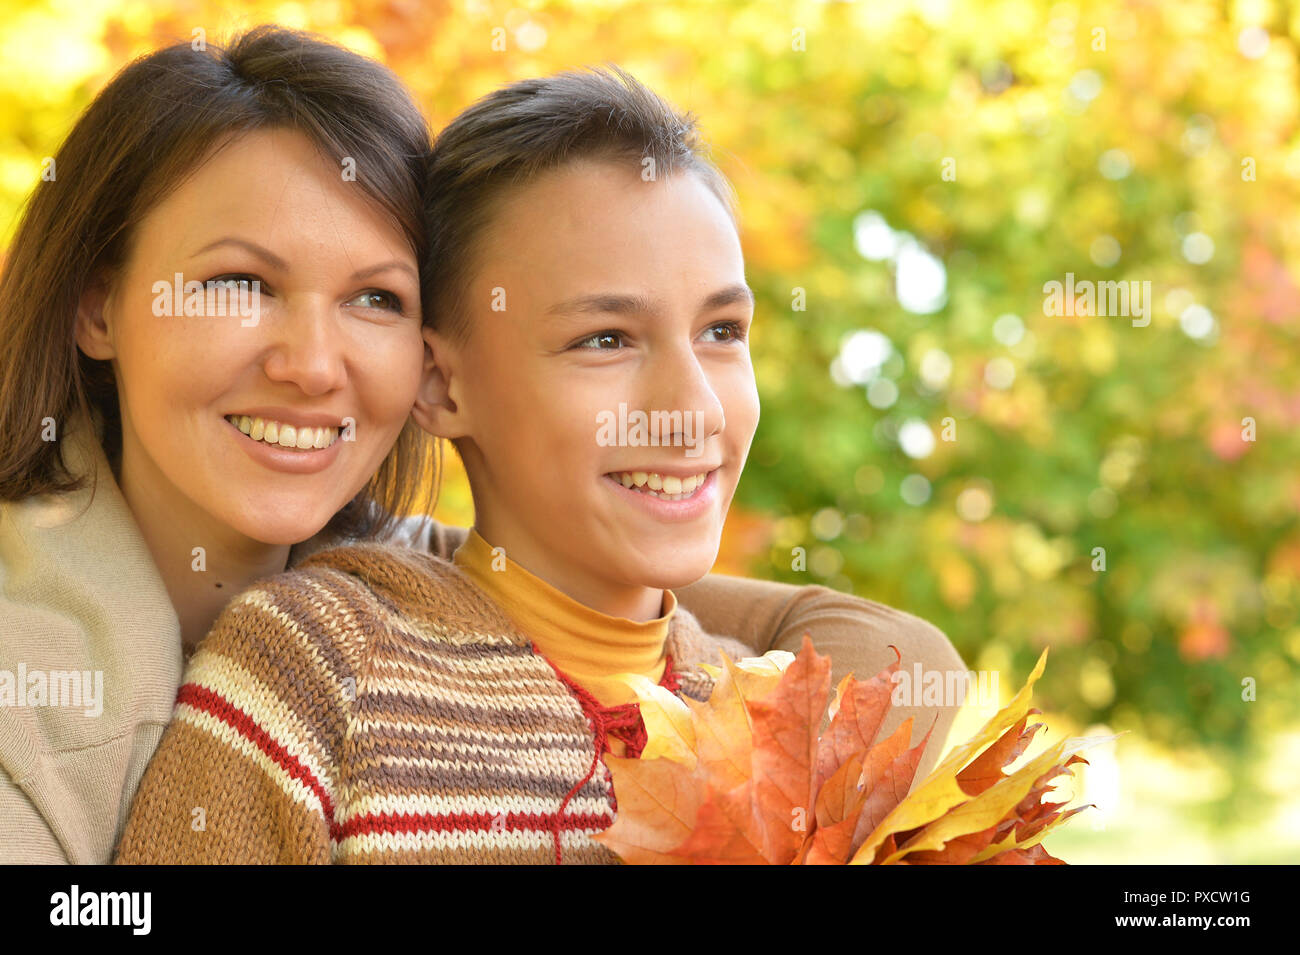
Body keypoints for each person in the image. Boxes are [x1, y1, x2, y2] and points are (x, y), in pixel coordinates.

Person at [114, 66, 963, 864]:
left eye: (722, 332)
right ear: (441, 384)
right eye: (605, 339)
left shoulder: (781, 718)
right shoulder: (310, 668)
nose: (695, 408)